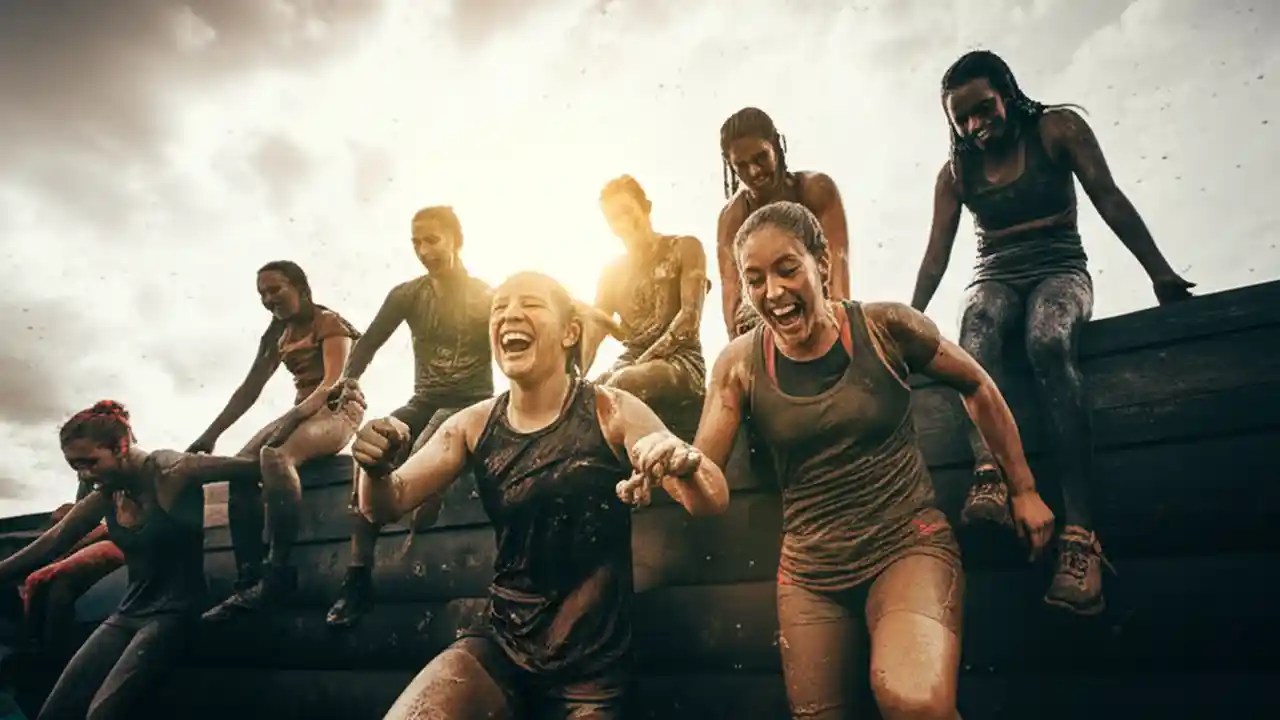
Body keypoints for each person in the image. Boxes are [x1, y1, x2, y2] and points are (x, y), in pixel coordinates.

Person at [680, 202, 1054, 719]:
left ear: (822, 266)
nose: (773, 293)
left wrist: (1024, 488)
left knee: (914, 701)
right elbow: (706, 490)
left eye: (788, 269)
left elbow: (977, 383)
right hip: (810, 574)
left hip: (906, 545)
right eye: (755, 279)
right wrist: (675, 461)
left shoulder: (885, 327)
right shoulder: (739, 365)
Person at [348, 271, 729, 719]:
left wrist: (684, 460)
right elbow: (384, 503)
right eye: (500, 307)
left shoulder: (611, 409)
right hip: (501, 647)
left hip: (591, 670)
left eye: (530, 303)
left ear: (570, 332)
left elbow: (711, 498)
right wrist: (372, 467)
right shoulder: (473, 424)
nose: (510, 314)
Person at [910, 49, 1194, 615]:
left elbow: (1108, 197)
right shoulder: (957, 171)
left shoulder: (1056, 130)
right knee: (977, 328)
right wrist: (907, 325)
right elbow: (937, 255)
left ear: (1007, 93)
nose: (974, 125)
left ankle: (1081, 537)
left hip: (1061, 270)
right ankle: (988, 474)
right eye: (961, 118)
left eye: (983, 108)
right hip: (995, 275)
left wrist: (1160, 273)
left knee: (1047, 336)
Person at [0, 401, 262, 719]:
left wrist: (259, 564)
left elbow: (253, 466)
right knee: (55, 711)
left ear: (121, 446)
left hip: (173, 614)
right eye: (76, 467)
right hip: (128, 613)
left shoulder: (169, 471)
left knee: (102, 714)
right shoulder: (110, 492)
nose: (85, 475)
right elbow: (52, 543)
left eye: (91, 462)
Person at [324, 206, 496, 629]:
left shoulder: (484, 295)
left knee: (423, 451)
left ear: (456, 239)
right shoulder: (408, 294)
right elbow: (368, 342)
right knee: (372, 447)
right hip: (424, 400)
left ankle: (421, 521)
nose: (423, 250)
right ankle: (358, 576)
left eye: (432, 240)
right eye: (416, 242)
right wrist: (348, 380)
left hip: (472, 402)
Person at [189, 260, 365, 622]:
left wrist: (294, 418)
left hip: (337, 412)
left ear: (300, 287)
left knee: (276, 456)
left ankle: (278, 573)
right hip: (300, 412)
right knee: (238, 469)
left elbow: (333, 382)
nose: (269, 300)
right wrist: (210, 434)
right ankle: (249, 577)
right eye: (262, 295)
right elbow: (249, 390)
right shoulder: (276, 335)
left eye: (275, 290)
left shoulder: (329, 322)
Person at [581, 175, 711, 440]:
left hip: (680, 360)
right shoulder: (612, 272)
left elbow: (689, 319)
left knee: (620, 383)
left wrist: (637, 364)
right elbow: (595, 331)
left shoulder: (685, 247)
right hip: (631, 360)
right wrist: (574, 379)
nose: (623, 222)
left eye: (628, 211)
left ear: (647, 207)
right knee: (587, 396)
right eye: (614, 217)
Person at [717, 107, 850, 339]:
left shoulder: (816, 190)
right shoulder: (732, 218)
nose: (755, 171)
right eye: (742, 166)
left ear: (776, 146)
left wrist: (839, 330)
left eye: (761, 158)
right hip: (767, 316)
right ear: (730, 165)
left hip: (817, 301)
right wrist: (739, 353)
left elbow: (838, 263)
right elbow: (731, 292)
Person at [18, 483, 124, 661]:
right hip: (109, 534)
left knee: (54, 580)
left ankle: (48, 657)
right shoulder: (99, 488)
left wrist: (58, 561)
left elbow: (110, 530)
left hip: (123, 543)